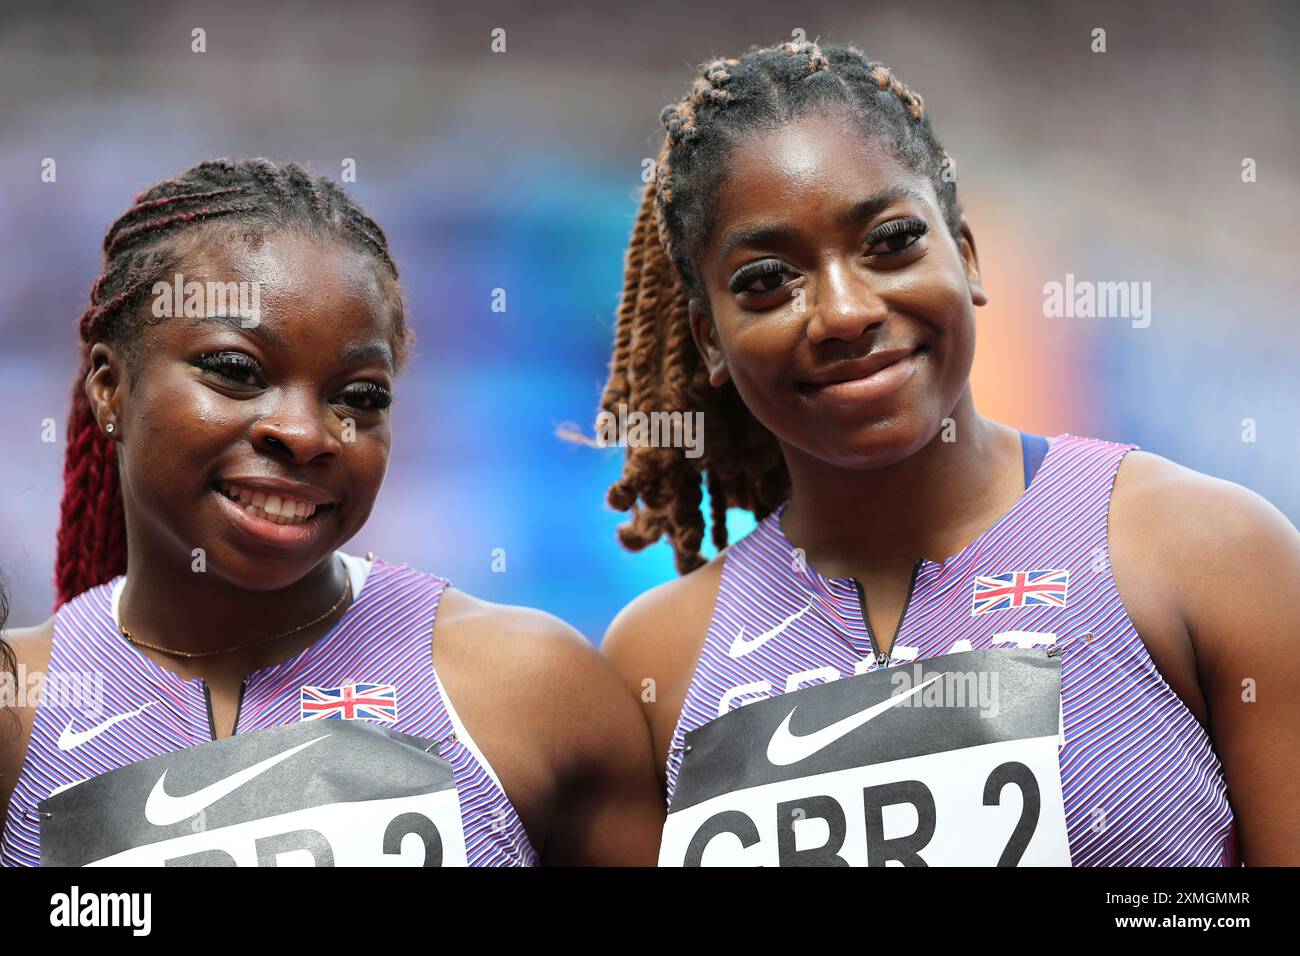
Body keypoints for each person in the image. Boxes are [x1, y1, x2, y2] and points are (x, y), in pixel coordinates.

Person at [599, 41, 1300, 866]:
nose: (844, 311)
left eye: (891, 239)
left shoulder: (1207, 553)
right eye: (765, 280)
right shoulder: (653, 664)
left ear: (964, 255)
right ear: (707, 339)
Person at [0, 158, 662, 866]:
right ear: (110, 387)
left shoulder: (533, 687)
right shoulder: (18, 713)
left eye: (359, 396)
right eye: (236, 371)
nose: (309, 434)